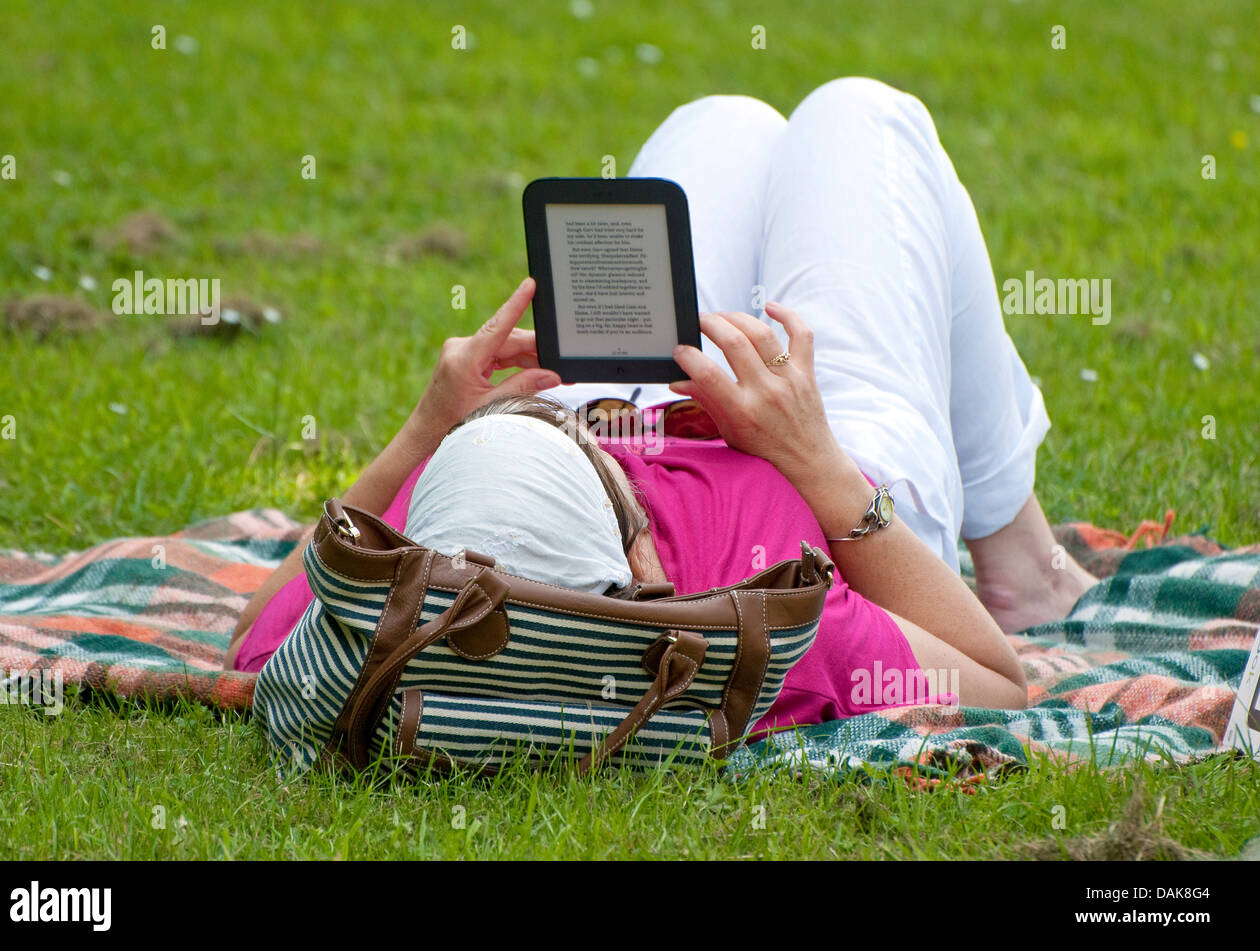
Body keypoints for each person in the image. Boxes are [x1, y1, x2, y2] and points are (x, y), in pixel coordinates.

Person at [225, 77, 1097, 731]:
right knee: (863, 115)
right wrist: (815, 456)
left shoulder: (408, 589)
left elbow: (261, 630)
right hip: (837, 496)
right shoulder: (773, 613)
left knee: (725, 121)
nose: (593, 438)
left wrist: (428, 431)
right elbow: (995, 680)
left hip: (609, 458)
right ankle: (1023, 565)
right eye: (583, 449)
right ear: (637, 556)